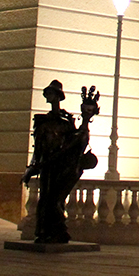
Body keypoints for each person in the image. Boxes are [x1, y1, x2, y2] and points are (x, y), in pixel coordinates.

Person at [22, 80, 100, 244]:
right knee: (46, 199)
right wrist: (32, 167)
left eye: (52, 94)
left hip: (62, 167)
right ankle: (45, 232)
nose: (49, 97)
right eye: (48, 94)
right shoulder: (44, 122)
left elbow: (73, 146)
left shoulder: (67, 124)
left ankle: (58, 231)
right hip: (47, 165)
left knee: (54, 200)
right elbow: (38, 148)